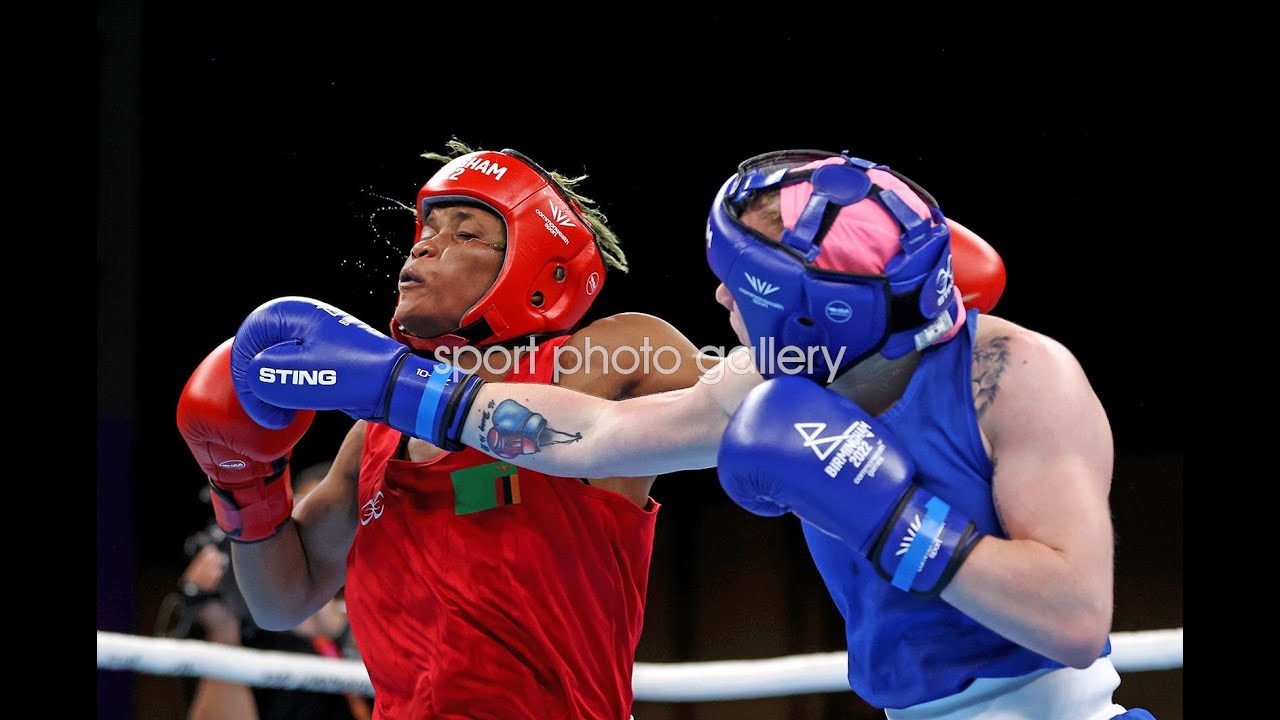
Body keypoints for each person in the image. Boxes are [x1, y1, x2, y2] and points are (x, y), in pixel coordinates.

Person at [228, 148, 1153, 719]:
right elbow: (596, 436)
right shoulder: (776, 377)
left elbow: (1075, 619)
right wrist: (401, 388)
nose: (717, 296)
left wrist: (889, 511)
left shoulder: (1021, 376)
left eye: (741, 286)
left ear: (812, 309)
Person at [176, 140, 715, 719]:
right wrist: (244, 484)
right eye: (428, 229)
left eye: (466, 233)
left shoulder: (605, 357)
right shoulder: (374, 438)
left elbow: (752, 409)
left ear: (538, 270)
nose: (426, 245)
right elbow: (282, 601)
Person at [176, 463, 370, 720]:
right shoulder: (251, 629)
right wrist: (223, 630)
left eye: (335, 521)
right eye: (304, 514)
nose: (322, 536)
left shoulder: (384, 610)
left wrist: (333, 625)